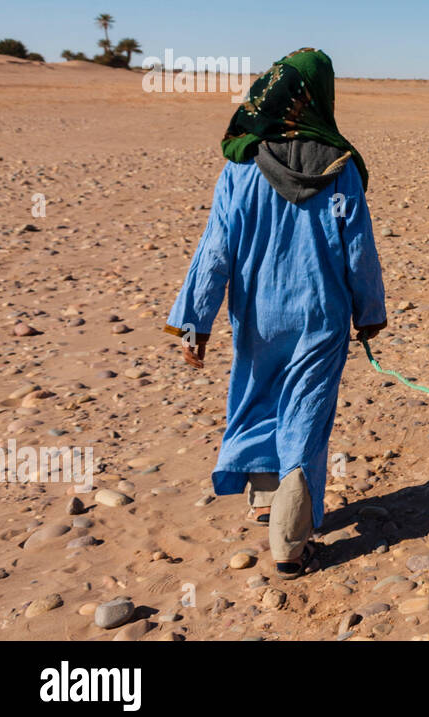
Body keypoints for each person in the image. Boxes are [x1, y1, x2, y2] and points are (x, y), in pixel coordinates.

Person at [165, 47, 386, 578]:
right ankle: (289, 544)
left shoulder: (241, 167)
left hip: (258, 315)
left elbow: (215, 249)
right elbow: (358, 250)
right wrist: (369, 311)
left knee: (258, 397)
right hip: (320, 316)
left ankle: (266, 501)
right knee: (305, 416)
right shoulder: (339, 169)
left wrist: (195, 320)